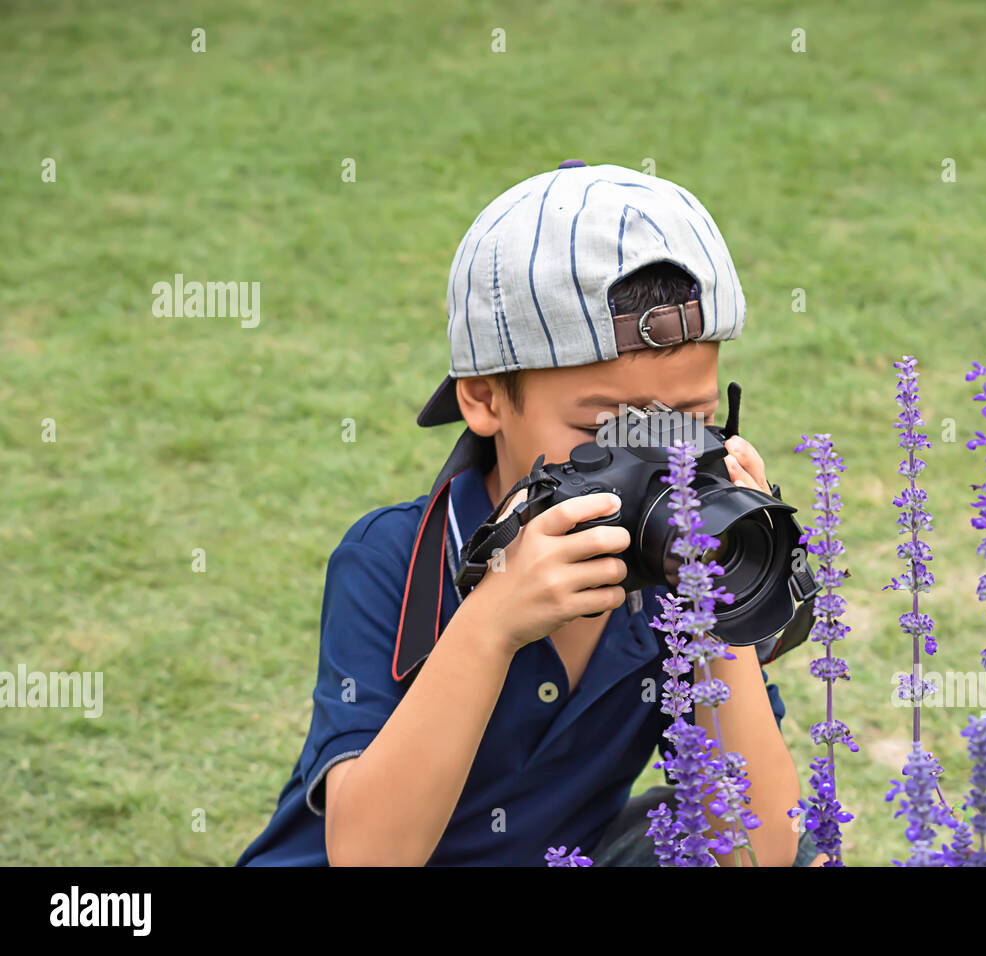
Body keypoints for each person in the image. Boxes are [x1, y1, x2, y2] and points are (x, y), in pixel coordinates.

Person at [235, 160, 827, 866]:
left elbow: (760, 847)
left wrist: (721, 591)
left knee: (790, 835)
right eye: (611, 432)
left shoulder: (667, 580)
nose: (657, 468)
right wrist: (491, 623)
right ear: (484, 400)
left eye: (690, 423)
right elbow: (368, 857)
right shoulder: (392, 559)